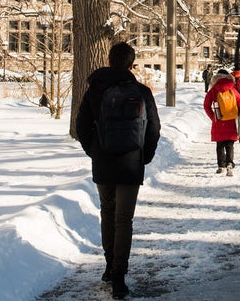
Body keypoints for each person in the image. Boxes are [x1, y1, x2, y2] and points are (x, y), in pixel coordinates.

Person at [76, 42, 161, 300]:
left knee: (108, 212)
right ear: (131, 64)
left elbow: (81, 125)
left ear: (109, 60)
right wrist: (143, 156)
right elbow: (154, 129)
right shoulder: (142, 91)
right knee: (124, 219)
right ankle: (119, 276)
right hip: (130, 162)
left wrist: (95, 150)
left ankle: (108, 265)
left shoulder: (95, 89)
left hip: (103, 160)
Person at [204, 69, 240, 175]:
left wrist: (213, 117)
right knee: (230, 144)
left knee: (220, 145)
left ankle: (220, 165)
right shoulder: (232, 89)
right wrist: (235, 114)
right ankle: (229, 164)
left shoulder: (213, 90)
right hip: (230, 121)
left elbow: (206, 105)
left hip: (218, 121)